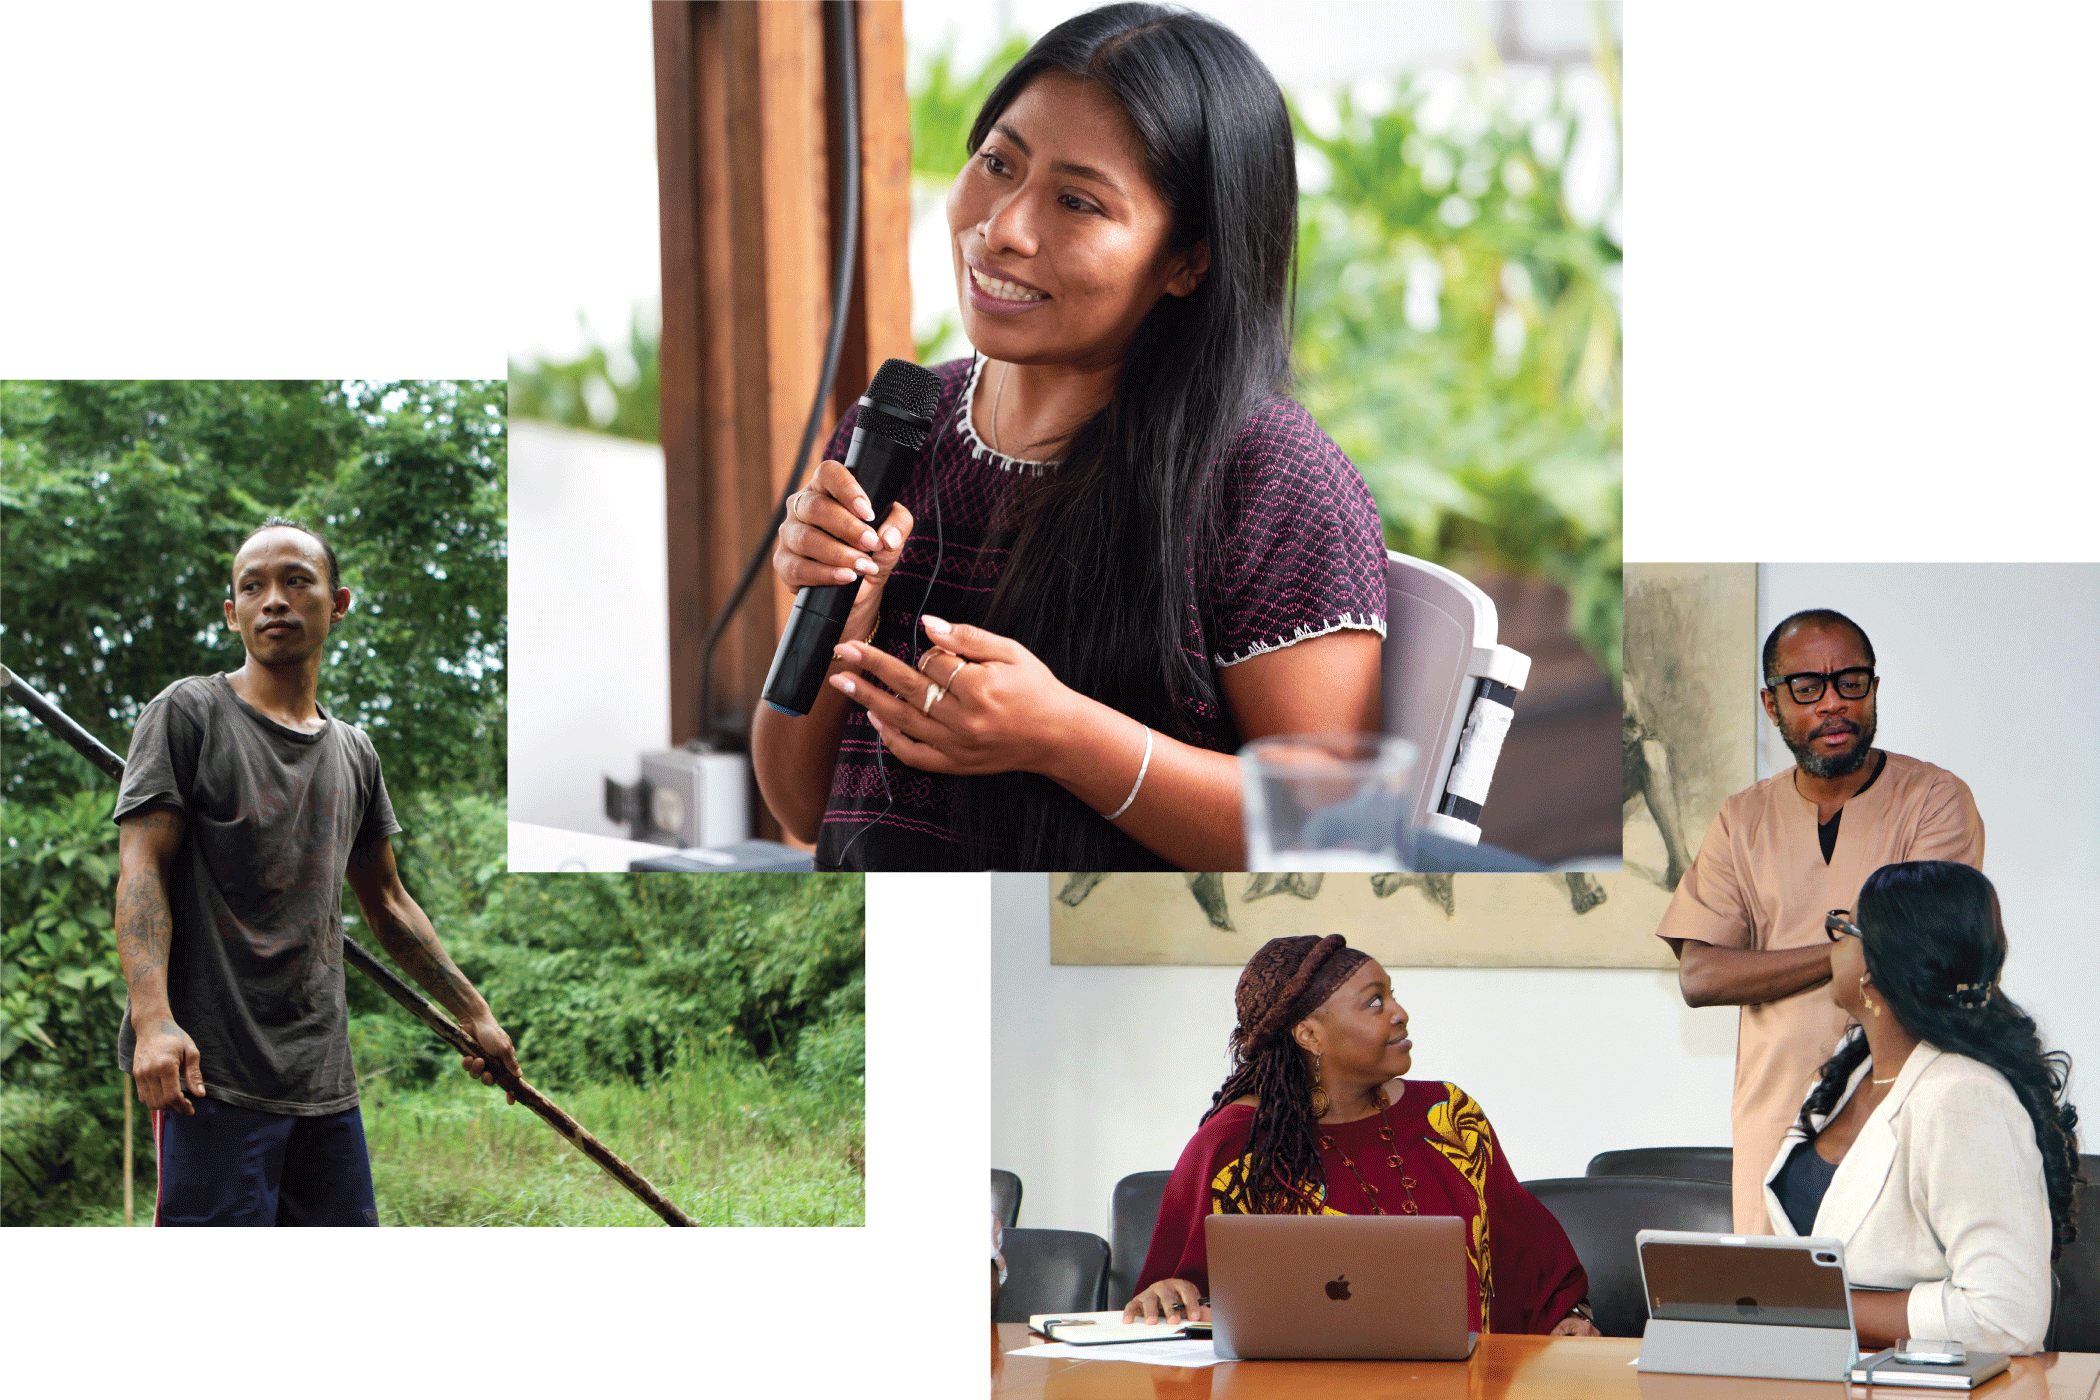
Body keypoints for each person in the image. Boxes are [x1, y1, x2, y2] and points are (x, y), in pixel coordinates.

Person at [752, 3, 1388, 872]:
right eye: (997, 163)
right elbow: (798, 808)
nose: (1002, 228)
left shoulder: (1269, 478)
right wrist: (840, 617)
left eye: (1079, 201)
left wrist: (1063, 738)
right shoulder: (893, 428)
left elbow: (1330, 830)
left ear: (1188, 259)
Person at [113, 518, 522, 1226]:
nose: (274, 599)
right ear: (232, 612)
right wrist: (154, 1024)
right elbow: (140, 868)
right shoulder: (189, 714)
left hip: (323, 1084)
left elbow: (388, 903)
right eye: (253, 586)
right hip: (210, 1079)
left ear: (337, 602)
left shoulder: (354, 753)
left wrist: (475, 1014)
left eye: (296, 580)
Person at [1655, 608, 1984, 1233]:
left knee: (1893, 1312)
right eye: (1807, 688)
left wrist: (1850, 946)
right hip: (1774, 1122)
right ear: (1772, 704)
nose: (1833, 704)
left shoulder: (1936, 800)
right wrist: (1849, 946)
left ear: (1874, 688)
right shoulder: (1741, 818)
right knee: (1780, 1317)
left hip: (1902, 1110)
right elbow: (1701, 976)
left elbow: (1921, 951)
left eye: (1850, 682)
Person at [1124, 934, 1596, 1336]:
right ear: (1309, 1034)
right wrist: (1164, 1297)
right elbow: (1174, 1304)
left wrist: (1569, 1316)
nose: (1400, 1012)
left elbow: (1530, 1260)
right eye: (1375, 1002)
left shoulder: (1446, 1116)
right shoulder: (1234, 1145)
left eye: (1393, 995)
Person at [1764, 863, 2076, 1354]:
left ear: (1874, 968)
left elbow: (2006, 1316)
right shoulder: (1846, 1078)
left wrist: (1814, 1309)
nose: (1832, 944)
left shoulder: (1962, 1095)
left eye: (1844, 929)